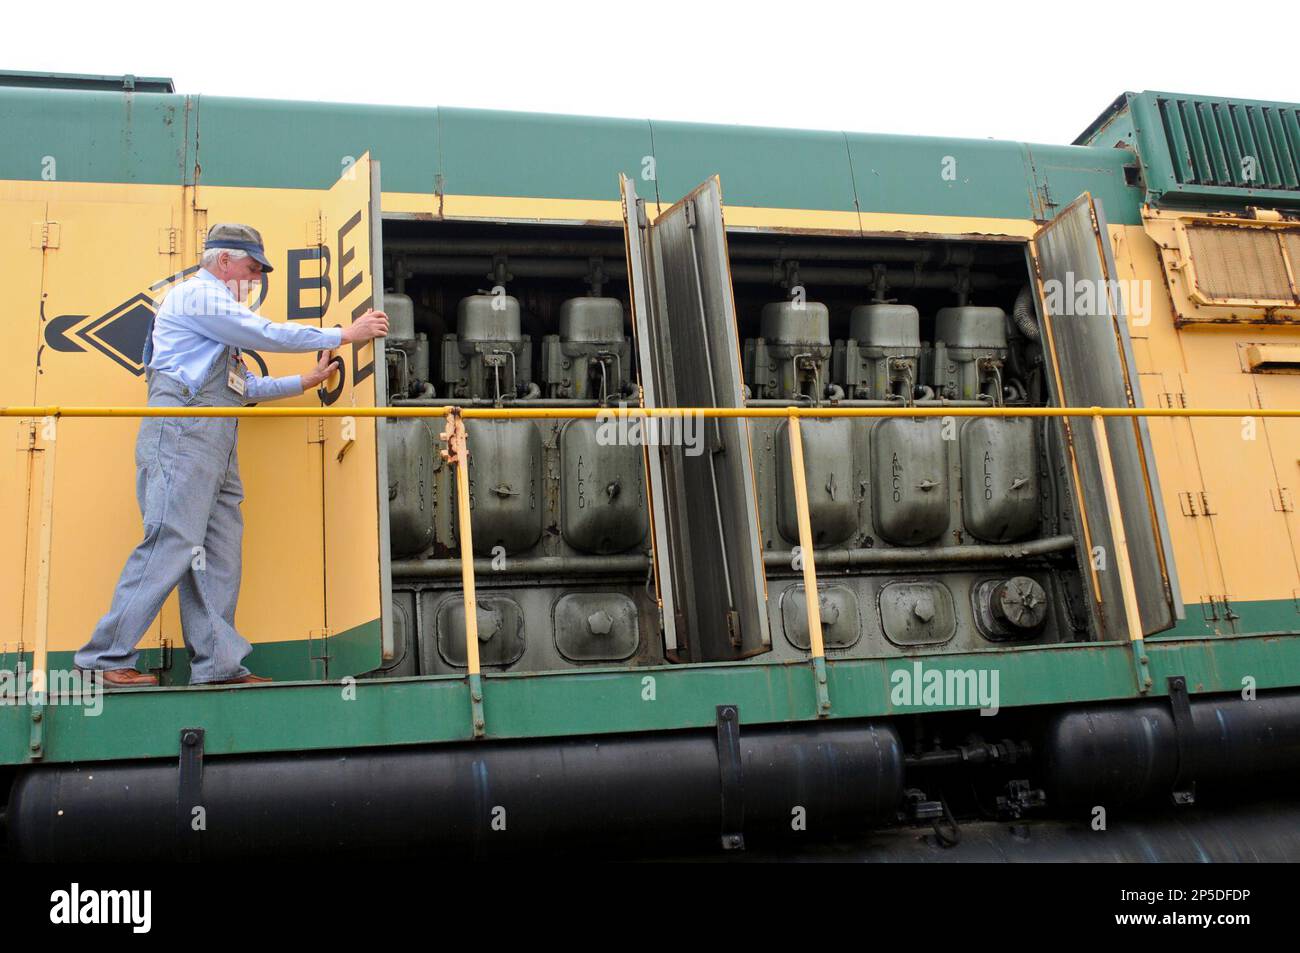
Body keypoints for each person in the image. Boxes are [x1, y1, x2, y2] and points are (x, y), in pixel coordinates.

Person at [74, 223, 388, 687]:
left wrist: (303, 383)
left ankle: (218, 665)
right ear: (223, 261)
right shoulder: (199, 297)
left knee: (217, 553)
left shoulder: (214, 318)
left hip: (213, 441)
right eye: (252, 267)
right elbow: (263, 333)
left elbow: (243, 388)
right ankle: (100, 660)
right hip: (184, 432)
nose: (256, 278)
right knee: (171, 540)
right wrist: (344, 334)